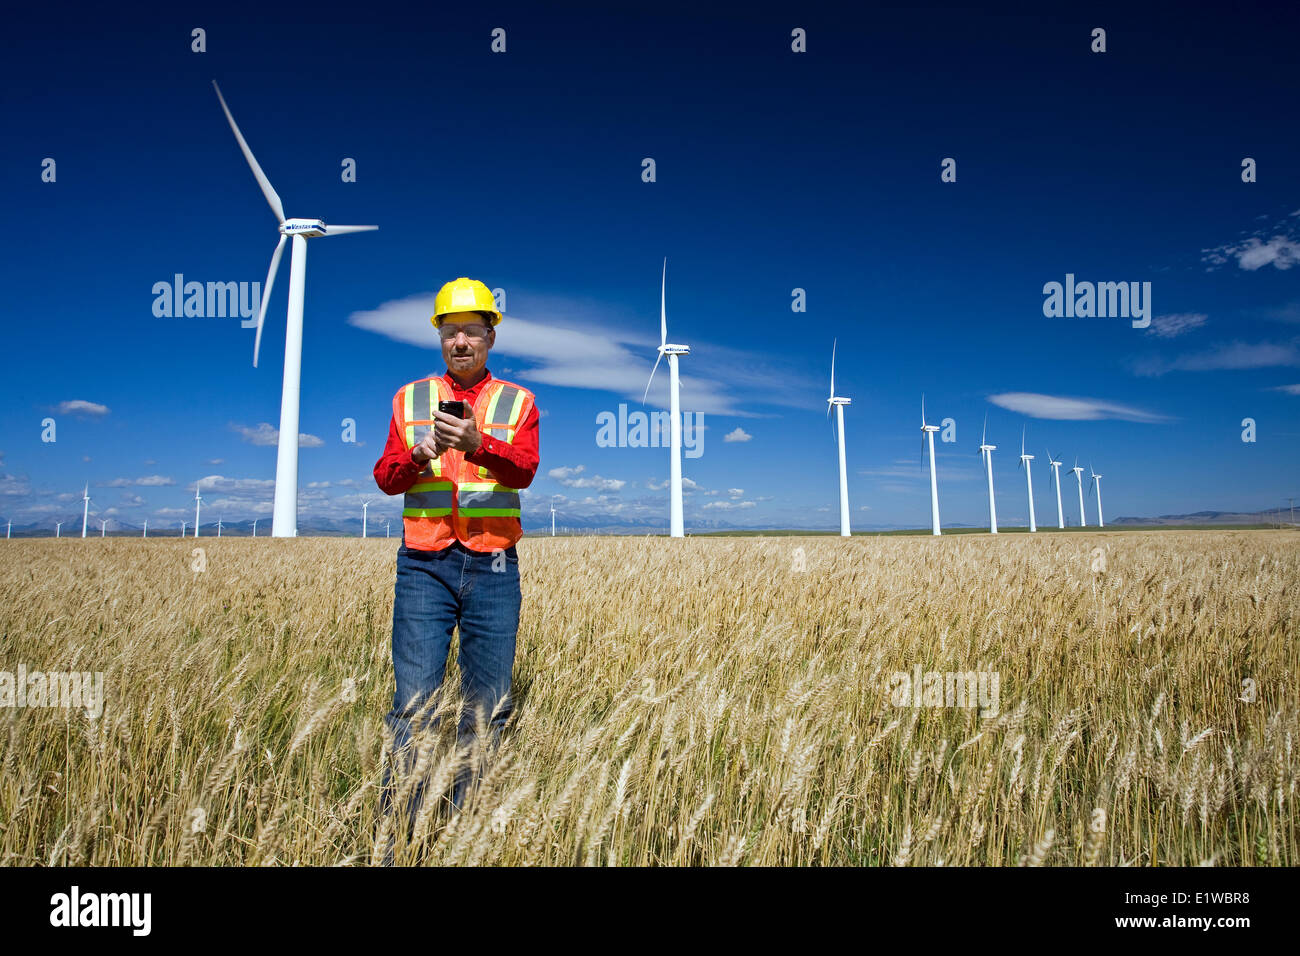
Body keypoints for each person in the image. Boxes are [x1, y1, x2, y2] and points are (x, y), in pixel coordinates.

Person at [371, 277, 540, 854]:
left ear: (491, 335)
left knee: (486, 706)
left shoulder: (518, 402)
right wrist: (417, 455)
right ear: (439, 338)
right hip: (423, 563)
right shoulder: (408, 399)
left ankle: (466, 829)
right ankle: (398, 838)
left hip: (493, 564)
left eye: (471, 331)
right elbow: (386, 478)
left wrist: (476, 443)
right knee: (413, 707)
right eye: (450, 332)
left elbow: (523, 471)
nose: (460, 341)